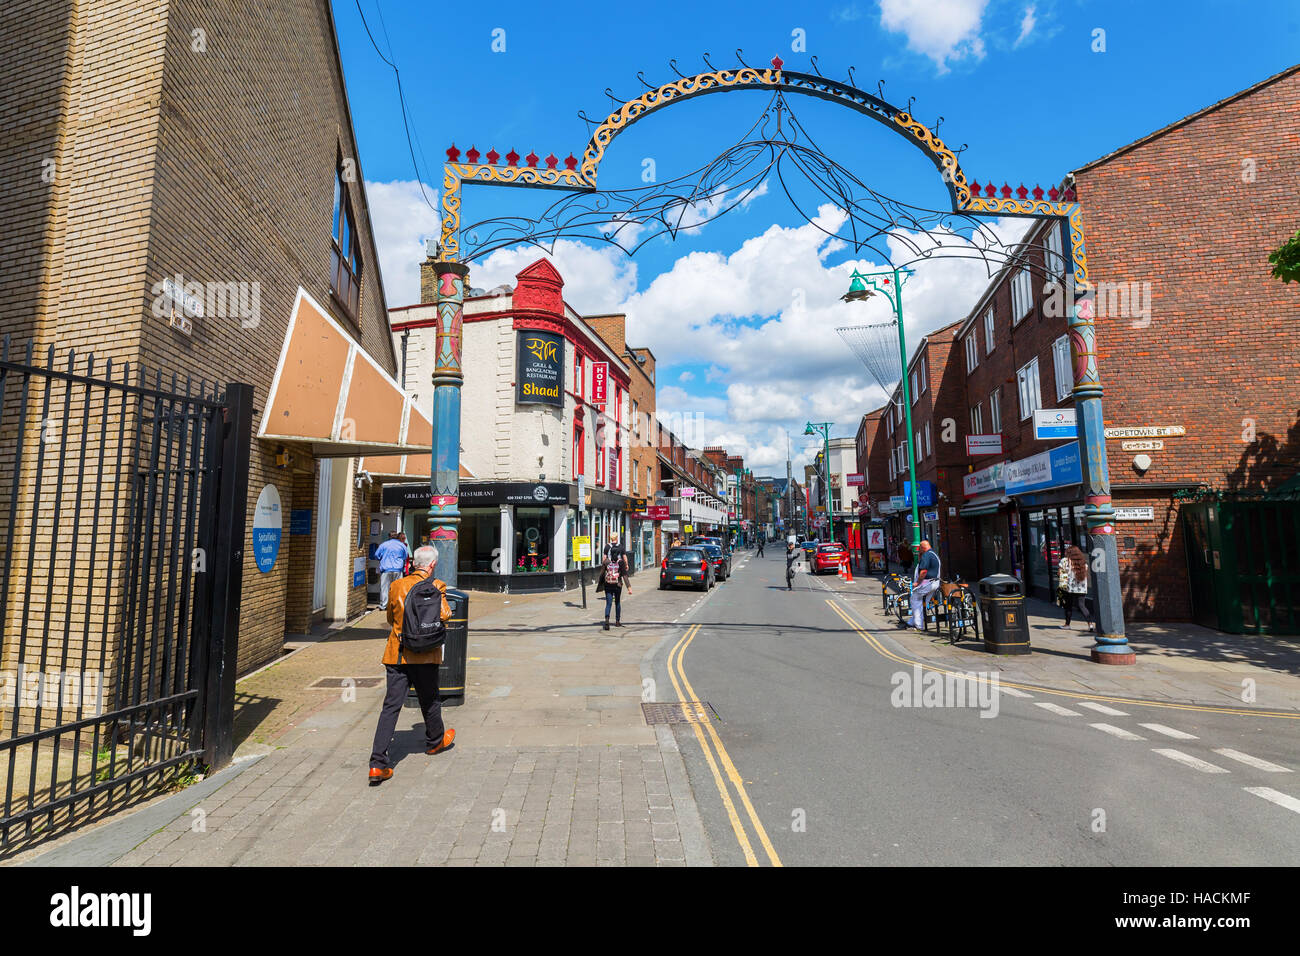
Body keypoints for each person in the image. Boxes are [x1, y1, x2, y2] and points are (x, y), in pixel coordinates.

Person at [368, 546, 455, 784]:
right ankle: (435, 742)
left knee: (391, 707)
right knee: (430, 699)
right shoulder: (437, 586)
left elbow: (391, 618)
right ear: (433, 564)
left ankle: (377, 764)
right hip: (426, 655)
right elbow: (445, 615)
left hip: (397, 655)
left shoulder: (397, 586)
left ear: (414, 563)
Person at [597, 532, 631, 630]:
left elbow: (604, 559)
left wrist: (602, 581)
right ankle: (617, 621)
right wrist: (626, 565)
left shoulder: (606, 547)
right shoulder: (621, 548)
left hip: (608, 582)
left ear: (610, 538)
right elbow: (624, 558)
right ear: (616, 538)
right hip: (618, 583)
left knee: (608, 603)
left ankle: (607, 620)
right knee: (617, 602)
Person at [1058, 544, 1093, 631]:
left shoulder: (1065, 561)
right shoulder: (1083, 563)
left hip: (1069, 588)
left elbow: (1060, 573)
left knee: (1068, 606)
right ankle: (1090, 624)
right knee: (1082, 606)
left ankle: (1067, 624)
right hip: (1081, 588)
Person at [908, 539, 940, 630]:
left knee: (915, 600)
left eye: (919, 548)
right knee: (923, 603)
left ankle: (918, 625)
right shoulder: (934, 554)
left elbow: (924, 571)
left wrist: (917, 582)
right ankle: (912, 621)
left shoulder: (926, 555)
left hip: (927, 583)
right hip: (935, 583)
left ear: (922, 548)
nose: (918, 550)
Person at [374, 531, 408, 610]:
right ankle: (397, 604)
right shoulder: (402, 545)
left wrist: (381, 558)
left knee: (385, 587)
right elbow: (405, 556)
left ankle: (384, 605)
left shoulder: (384, 545)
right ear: (396, 537)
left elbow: (376, 555)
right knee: (398, 587)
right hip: (398, 569)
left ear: (389, 536)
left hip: (386, 569)